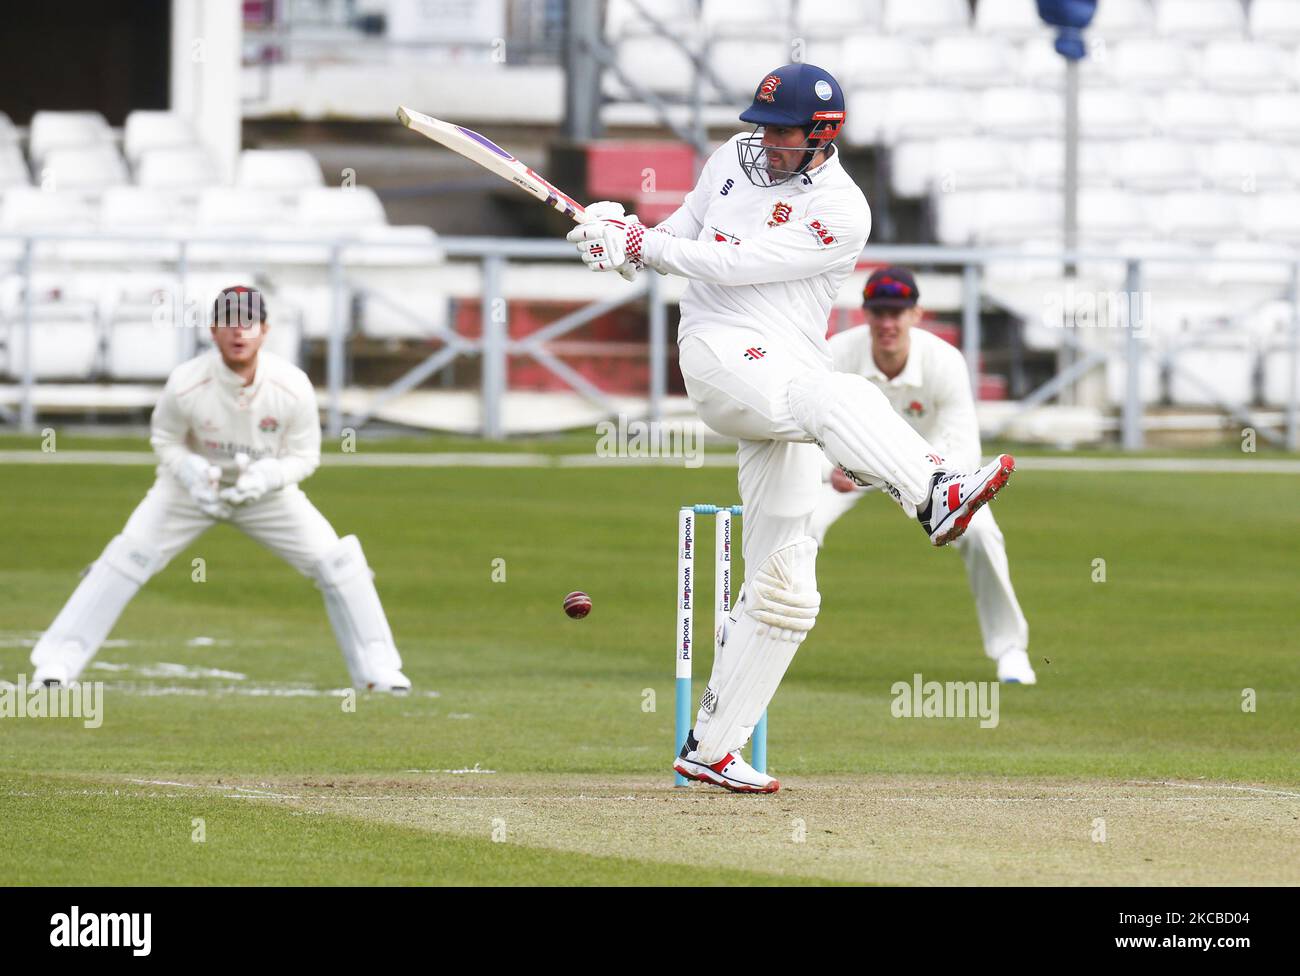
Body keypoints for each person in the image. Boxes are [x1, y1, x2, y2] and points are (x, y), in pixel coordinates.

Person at [566, 64, 1016, 793]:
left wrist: (638, 244)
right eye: (761, 126)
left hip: (781, 377)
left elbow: (736, 263)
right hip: (717, 354)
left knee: (789, 585)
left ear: (823, 135)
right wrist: (614, 238)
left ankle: (711, 747)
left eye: (781, 132)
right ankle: (934, 491)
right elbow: (679, 238)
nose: (765, 141)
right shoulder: (728, 163)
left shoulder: (844, 211)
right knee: (832, 394)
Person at [29, 285, 410, 692]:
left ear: (264, 330)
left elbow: (304, 456)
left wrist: (266, 478)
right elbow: (166, 440)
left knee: (337, 562)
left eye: (248, 322)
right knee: (128, 556)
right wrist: (191, 470)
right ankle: (56, 663)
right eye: (228, 322)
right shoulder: (186, 383)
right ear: (213, 330)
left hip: (266, 495)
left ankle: (378, 671)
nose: (238, 332)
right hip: (188, 493)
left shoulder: (292, 385)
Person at [810, 267, 1035, 685]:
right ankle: (763, 630)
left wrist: (923, 485)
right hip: (852, 468)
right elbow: (801, 426)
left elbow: (964, 447)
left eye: (897, 312)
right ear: (865, 314)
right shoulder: (836, 354)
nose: (887, 323)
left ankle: (1010, 651)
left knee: (982, 534)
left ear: (916, 314)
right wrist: (829, 468)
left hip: (929, 475)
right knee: (799, 523)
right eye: (878, 312)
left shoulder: (944, 361)